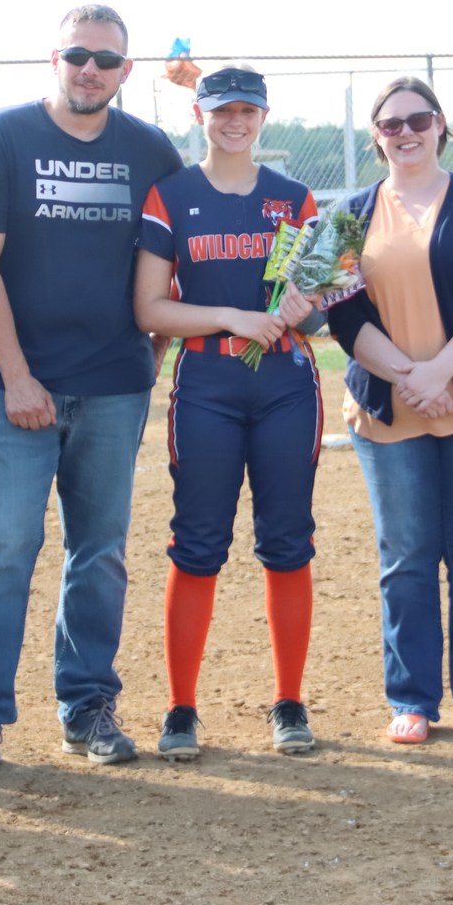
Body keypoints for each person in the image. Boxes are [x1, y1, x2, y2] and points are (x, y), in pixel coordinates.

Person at [0, 4, 183, 781]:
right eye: (77, 55)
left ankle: (87, 705)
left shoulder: (150, 150)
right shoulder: (5, 136)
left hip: (114, 387)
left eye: (105, 60)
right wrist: (16, 375)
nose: (90, 69)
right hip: (17, 389)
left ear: (125, 72)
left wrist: (150, 350)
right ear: (55, 58)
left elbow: (179, 257)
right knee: (4, 549)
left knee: (100, 554)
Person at [329, 78, 453, 745]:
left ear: (442, 125)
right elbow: (344, 309)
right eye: (390, 124)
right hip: (391, 403)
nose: (405, 131)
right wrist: (411, 377)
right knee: (407, 555)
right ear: (376, 136)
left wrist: (442, 372)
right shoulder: (354, 213)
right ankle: (412, 696)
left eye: (418, 119)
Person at [133, 66, 323, 759]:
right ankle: (181, 707)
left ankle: (290, 700)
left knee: (287, 541)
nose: (234, 121)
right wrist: (232, 316)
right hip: (209, 376)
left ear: (265, 115)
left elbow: (317, 295)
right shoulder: (172, 194)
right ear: (199, 113)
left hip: (284, 379)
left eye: (247, 110)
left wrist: (309, 305)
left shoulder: (293, 198)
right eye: (222, 110)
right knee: (199, 542)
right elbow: (150, 307)